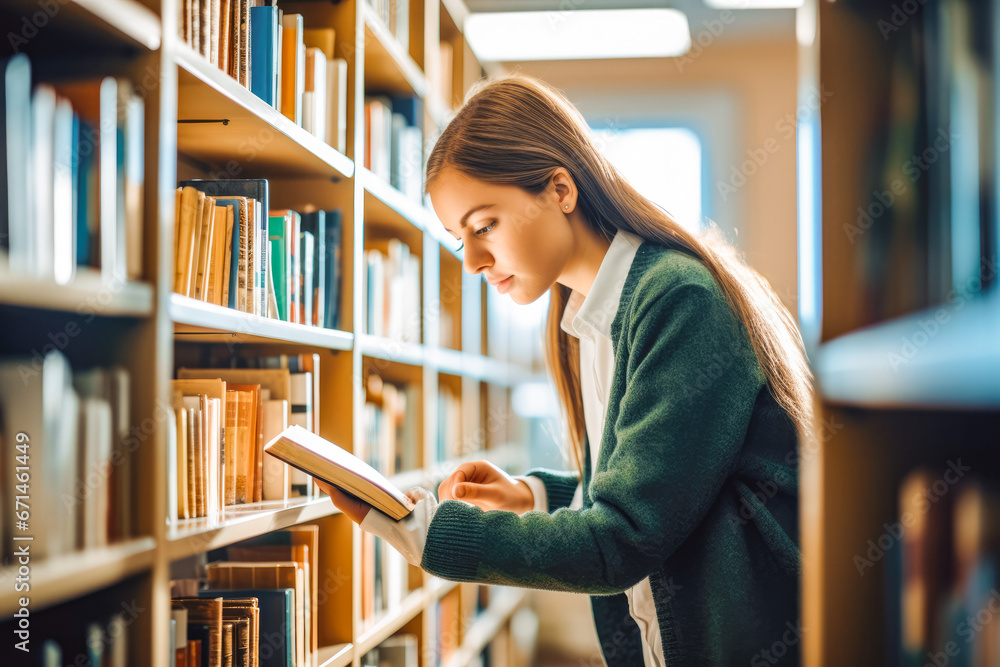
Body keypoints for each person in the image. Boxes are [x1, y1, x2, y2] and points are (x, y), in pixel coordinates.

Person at [316, 74, 813, 666]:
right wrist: (535, 495)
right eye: (459, 242)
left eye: (484, 226)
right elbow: (657, 481)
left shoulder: (677, 299)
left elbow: (622, 539)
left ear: (560, 190)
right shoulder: (586, 317)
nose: (473, 261)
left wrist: (424, 529)